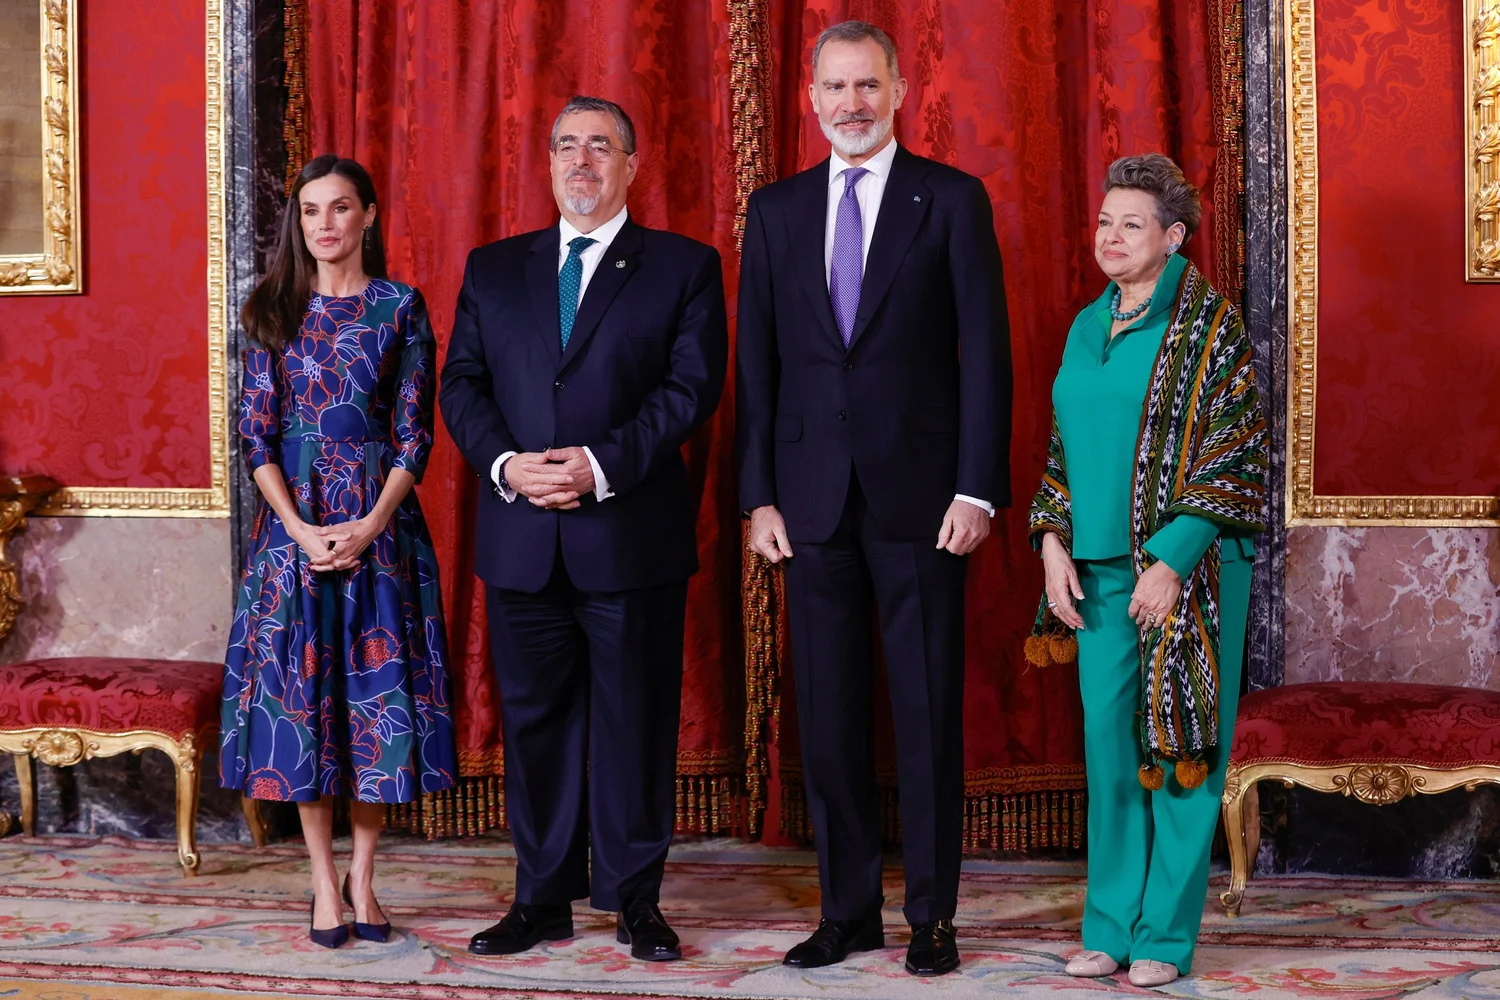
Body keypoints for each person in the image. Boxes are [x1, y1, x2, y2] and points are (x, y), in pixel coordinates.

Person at [736, 20, 1011, 979]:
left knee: (928, 713)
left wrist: (979, 486)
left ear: (900, 91)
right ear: (812, 100)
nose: (851, 104)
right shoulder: (773, 212)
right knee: (831, 716)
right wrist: (757, 497)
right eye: (836, 88)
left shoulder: (952, 200)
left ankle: (933, 917)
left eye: (869, 86)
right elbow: (758, 371)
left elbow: (986, 356)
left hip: (927, 502)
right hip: (809, 507)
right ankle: (847, 910)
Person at [439, 96, 728, 963]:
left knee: (636, 721)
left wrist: (598, 466)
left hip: (628, 532)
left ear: (632, 165)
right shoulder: (494, 270)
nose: (581, 162)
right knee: (534, 723)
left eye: (601, 147)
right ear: (549, 162)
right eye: (566, 145)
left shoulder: (683, 267)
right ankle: (542, 900)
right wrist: (505, 466)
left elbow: (690, 390)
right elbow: (462, 384)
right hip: (522, 532)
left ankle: (636, 900)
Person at [1028, 153, 1268, 988]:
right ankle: (1109, 929)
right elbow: (1064, 449)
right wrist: (1051, 540)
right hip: (1093, 572)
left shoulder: (1209, 327)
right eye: (1105, 222)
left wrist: (1171, 559)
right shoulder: (1086, 326)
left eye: (1132, 224)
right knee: (1108, 753)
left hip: (1186, 573)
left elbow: (1238, 453)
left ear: (1172, 237)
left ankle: (1164, 939)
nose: (1111, 237)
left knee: (1180, 752)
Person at [220, 154, 457, 949]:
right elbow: (255, 438)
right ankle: (322, 881)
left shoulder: (399, 308)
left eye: (340, 208)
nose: (324, 224)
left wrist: (371, 525)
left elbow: (415, 433)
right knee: (304, 705)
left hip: (380, 533)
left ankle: (364, 875)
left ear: (369, 216)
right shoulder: (270, 310)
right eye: (311, 211)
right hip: (294, 534)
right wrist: (295, 526)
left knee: (375, 705)